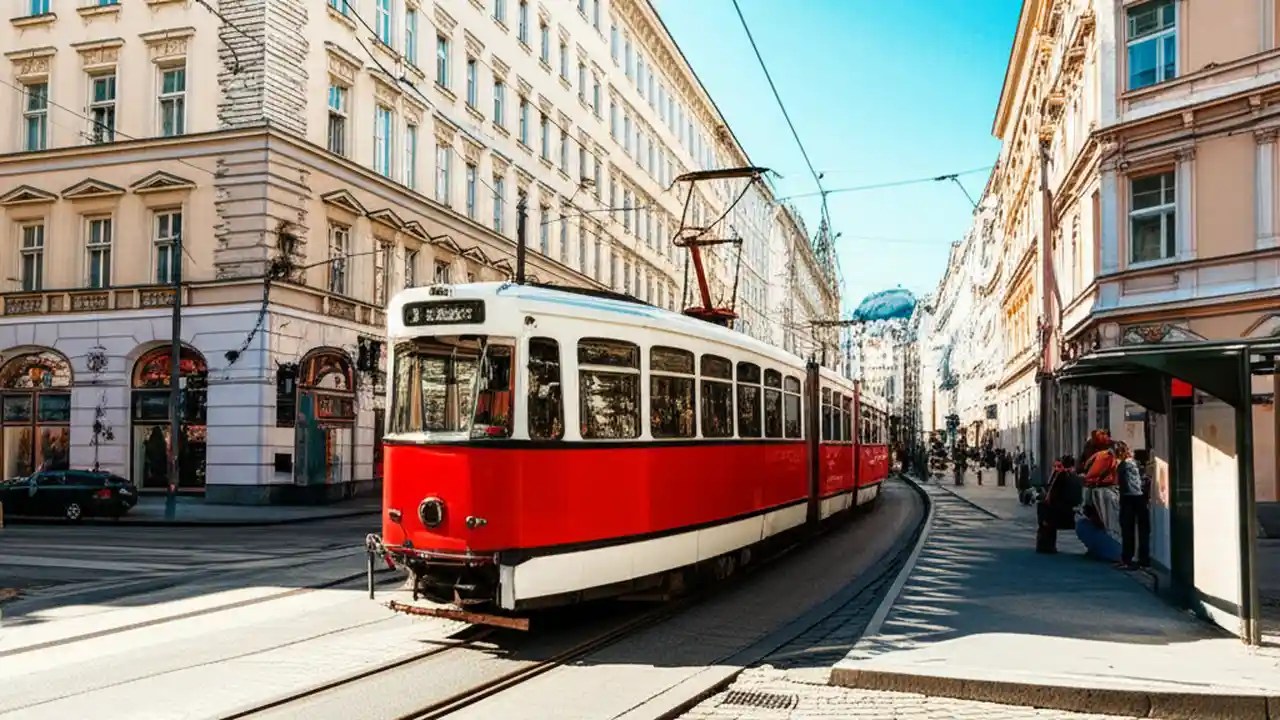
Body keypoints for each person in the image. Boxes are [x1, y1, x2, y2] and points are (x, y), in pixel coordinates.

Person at [1115, 442, 1151, 570]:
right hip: (1141, 498)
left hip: (1127, 498)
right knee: (1143, 530)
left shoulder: (1123, 465)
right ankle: (1144, 559)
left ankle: (1127, 559)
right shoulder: (1138, 465)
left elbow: (1120, 482)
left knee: (1127, 529)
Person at [1037, 455, 1083, 554]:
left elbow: (1052, 495)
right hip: (1074, 511)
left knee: (1043, 508)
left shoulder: (1061, 476)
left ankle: (1046, 544)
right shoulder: (1078, 477)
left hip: (1060, 513)